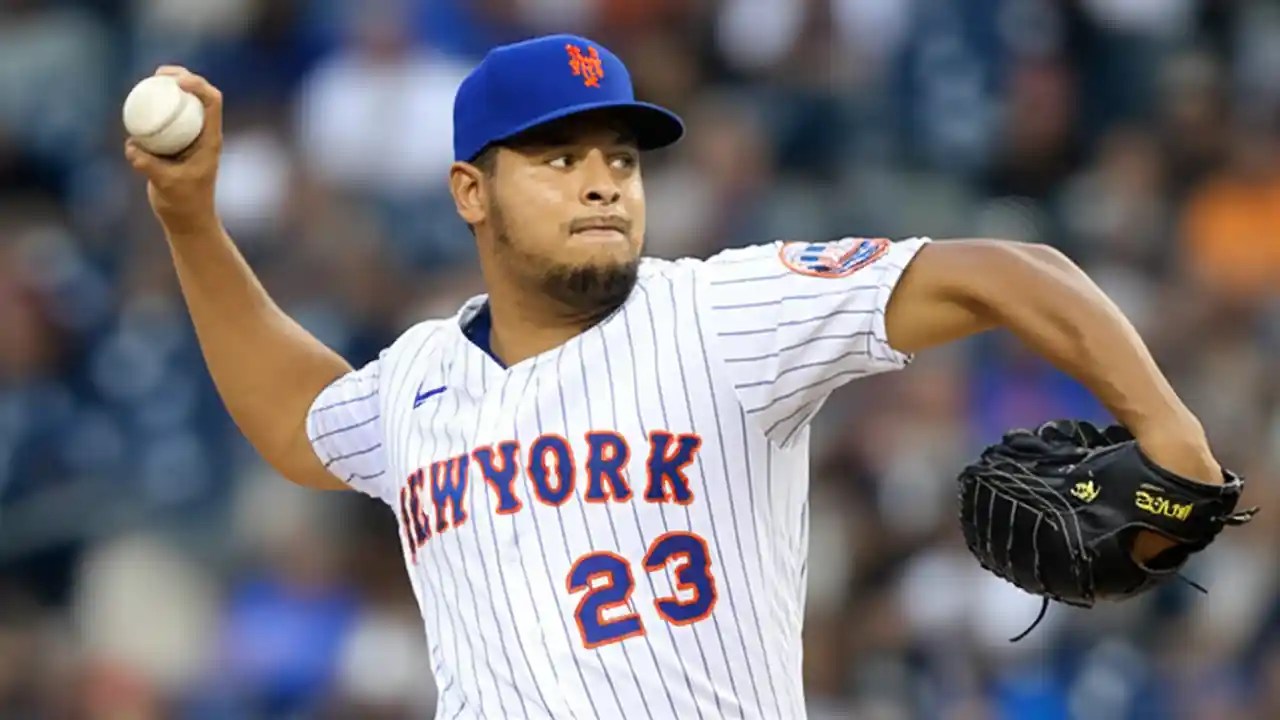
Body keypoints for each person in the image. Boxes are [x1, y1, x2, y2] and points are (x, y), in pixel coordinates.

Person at [125, 33, 1225, 720]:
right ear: (470, 191)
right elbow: (295, 419)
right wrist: (189, 219)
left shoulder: (719, 312)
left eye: (620, 157)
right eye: (558, 159)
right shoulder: (418, 381)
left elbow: (1007, 271)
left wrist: (1172, 441)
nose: (602, 182)